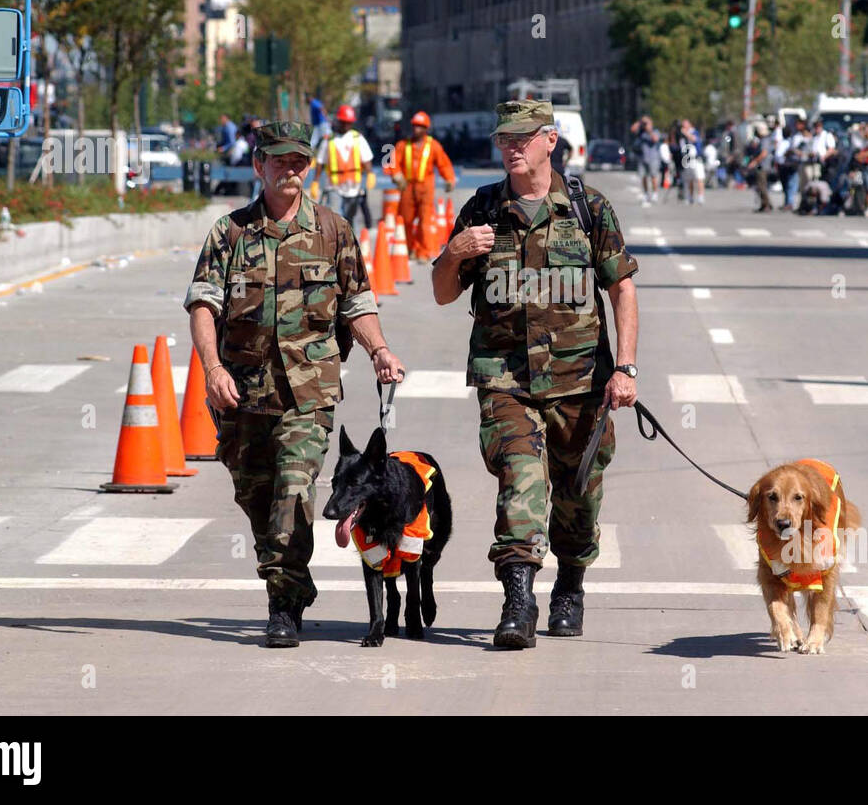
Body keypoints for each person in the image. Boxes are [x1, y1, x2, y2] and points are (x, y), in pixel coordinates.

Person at [184, 120, 406, 648]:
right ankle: (293, 580)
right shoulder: (230, 233)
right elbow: (202, 304)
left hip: (309, 395)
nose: (291, 169)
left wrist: (379, 350)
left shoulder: (332, 230)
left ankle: (282, 605)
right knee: (256, 496)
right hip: (241, 395)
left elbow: (357, 302)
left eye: (299, 162)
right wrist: (213, 370)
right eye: (280, 160)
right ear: (259, 165)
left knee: (293, 491)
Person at [430, 100, 640, 650]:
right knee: (519, 481)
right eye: (504, 139)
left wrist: (625, 368)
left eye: (523, 137)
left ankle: (569, 585)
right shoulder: (481, 210)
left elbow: (622, 289)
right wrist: (452, 255)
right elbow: (443, 293)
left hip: (582, 383)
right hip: (506, 380)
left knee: (579, 495)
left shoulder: (588, 208)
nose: (512, 147)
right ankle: (518, 600)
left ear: (551, 139)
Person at [387, 110, 456, 263]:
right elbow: (391, 162)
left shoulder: (434, 146)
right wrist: (397, 175)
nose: (416, 129)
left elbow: (444, 164)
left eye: (420, 126)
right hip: (407, 187)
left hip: (425, 187)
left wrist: (449, 179)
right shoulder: (403, 145)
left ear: (426, 129)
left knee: (425, 221)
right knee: (406, 219)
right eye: (414, 126)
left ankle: (423, 252)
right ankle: (410, 248)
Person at [322, 104, 376, 229]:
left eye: (348, 122)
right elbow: (320, 161)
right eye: (344, 122)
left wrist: (370, 174)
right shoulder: (330, 140)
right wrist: (315, 181)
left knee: (351, 219)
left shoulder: (357, 138)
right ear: (339, 121)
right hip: (334, 186)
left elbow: (366, 159)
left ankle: (352, 245)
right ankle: (336, 246)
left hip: (353, 187)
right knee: (335, 218)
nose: (346, 125)